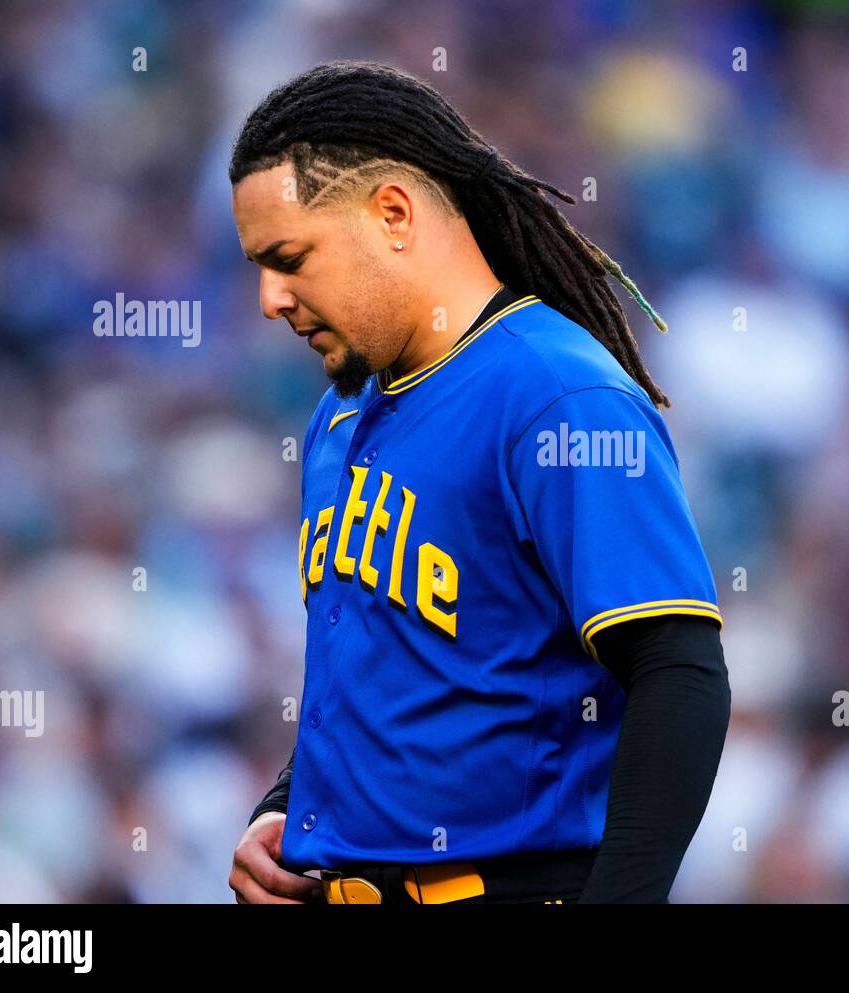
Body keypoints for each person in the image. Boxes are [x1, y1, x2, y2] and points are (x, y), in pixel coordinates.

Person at [225, 60, 729, 905]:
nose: (270, 298)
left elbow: (679, 672)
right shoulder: (341, 416)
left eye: (289, 257)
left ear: (392, 214)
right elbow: (399, 671)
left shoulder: (557, 396)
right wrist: (289, 807)